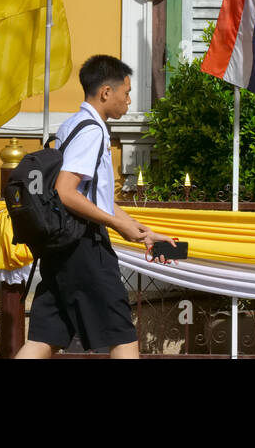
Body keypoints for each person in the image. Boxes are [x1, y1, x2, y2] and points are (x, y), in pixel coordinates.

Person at [14, 54, 176, 359]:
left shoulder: (71, 125)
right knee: (123, 335)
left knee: (44, 338)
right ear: (106, 92)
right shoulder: (92, 130)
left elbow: (93, 196)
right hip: (85, 246)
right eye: (126, 93)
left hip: (60, 246)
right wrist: (115, 225)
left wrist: (140, 230)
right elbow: (66, 191)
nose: (128, 100)